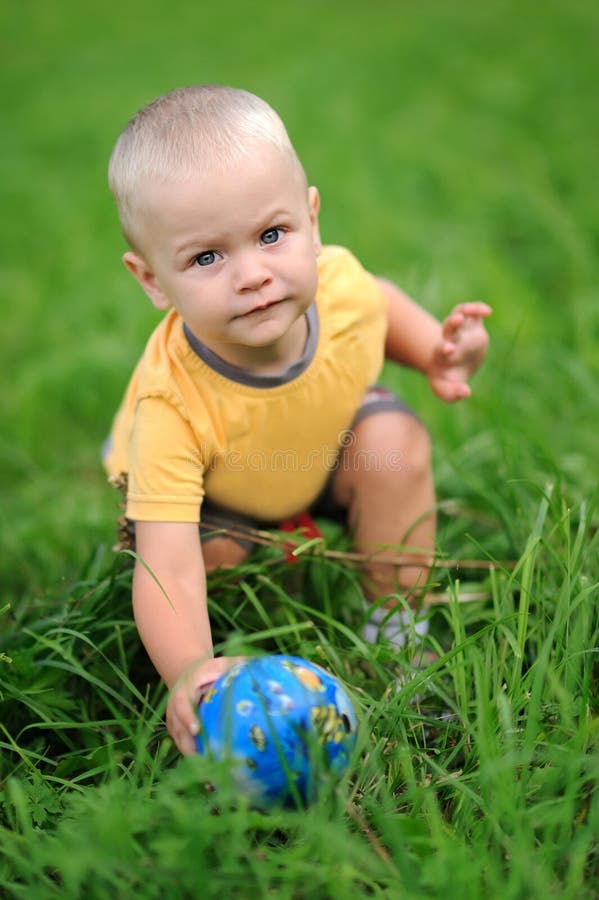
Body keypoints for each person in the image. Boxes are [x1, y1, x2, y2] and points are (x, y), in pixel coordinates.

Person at [103, 84, 491, 755]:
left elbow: (380, 303)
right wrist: (188, 668)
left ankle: (394, 629)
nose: (252, 274)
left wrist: (439, 353)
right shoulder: (169, 407)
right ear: (152, 280)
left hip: (311, 454)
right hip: (217, 497)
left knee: (394, 441)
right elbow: (167, 566)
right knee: (216, 564)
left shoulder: (340, 288)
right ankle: (258, 610)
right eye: (206, 257)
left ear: (312, 221)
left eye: (270, 235)